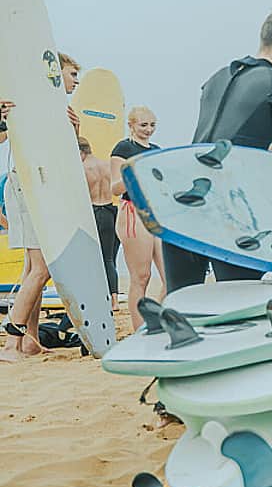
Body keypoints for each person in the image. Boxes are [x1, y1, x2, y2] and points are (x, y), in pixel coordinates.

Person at [165, 8, 272, 293]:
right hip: (232, 207)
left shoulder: (216, 78)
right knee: (240, 304)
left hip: (184, 200)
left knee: (181, 304)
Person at [1, 52, 83, 360]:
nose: (76, 80)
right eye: (72, 74)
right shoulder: (30, 100)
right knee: (42, 268)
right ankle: (11, 342)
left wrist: (73, 132)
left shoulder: (58, 109)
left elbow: (66, 156)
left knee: (31, 268)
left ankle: (30, 338)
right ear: (55, 72)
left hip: (34, 184)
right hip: (29, 184)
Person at [110, 106, 163, 328]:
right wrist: (134, 172)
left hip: (156, 213)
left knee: (171, 277)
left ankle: (155, 320)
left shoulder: (158, 149)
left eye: (152, 125)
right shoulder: (123, 148)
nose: (148, 129)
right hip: (132, 212)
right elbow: (115, 187)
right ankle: (139, 329)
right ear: (131, 125)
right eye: (143, 125)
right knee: (141, 276)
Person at [79, 137, 119, 311]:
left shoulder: (82, 168)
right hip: (111, 211)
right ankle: (114, 300)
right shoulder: (107, 165)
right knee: (110, 258)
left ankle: (105, 299)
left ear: (80, 152)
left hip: (95, 212)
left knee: (95, 259)